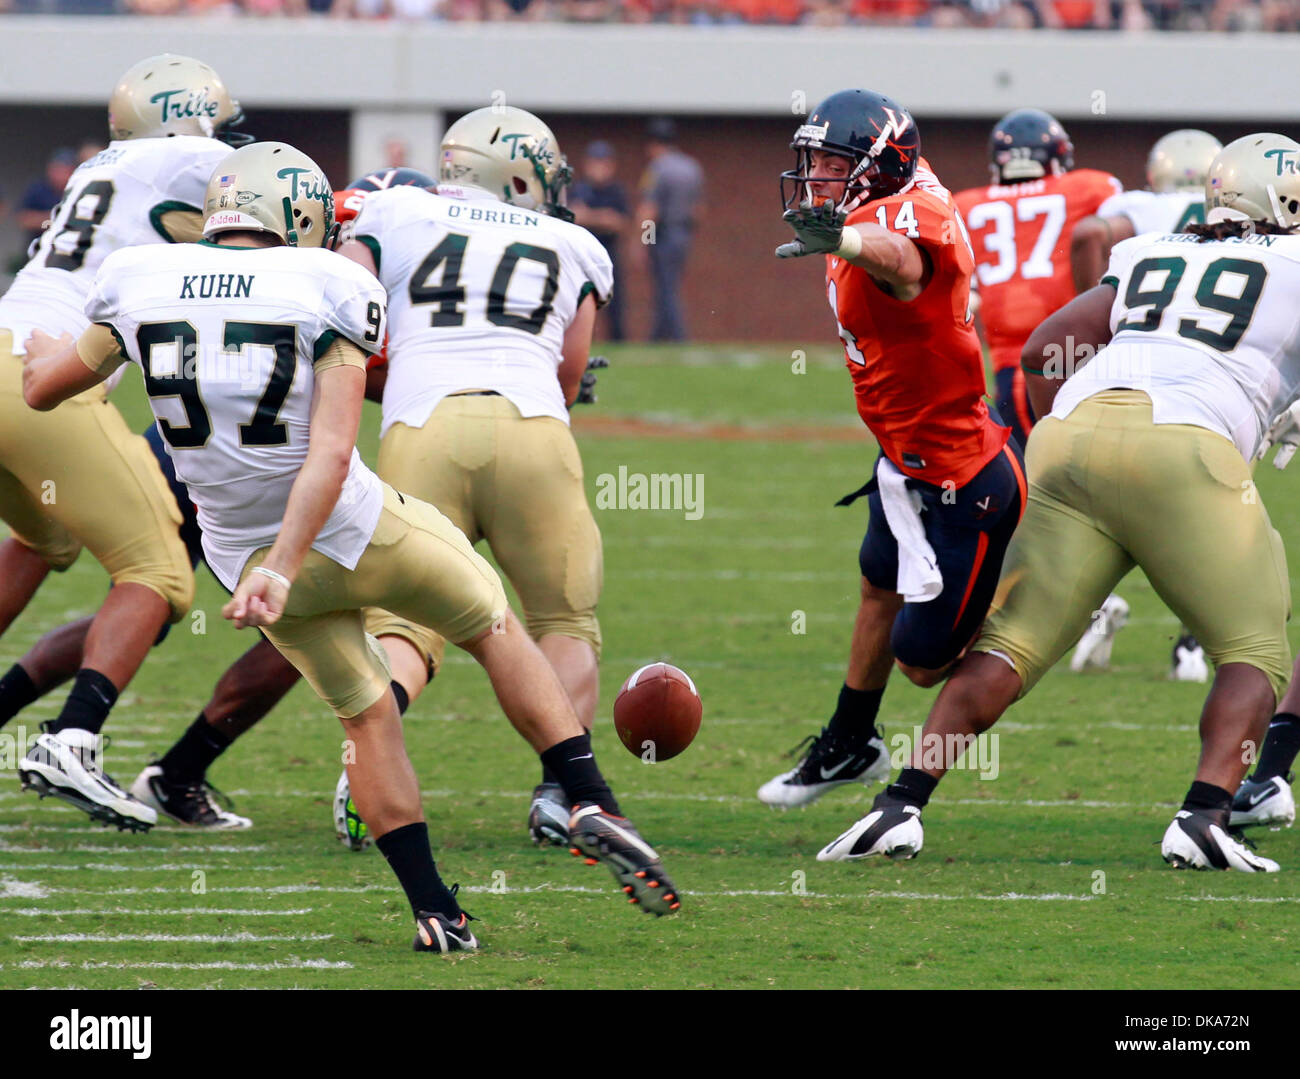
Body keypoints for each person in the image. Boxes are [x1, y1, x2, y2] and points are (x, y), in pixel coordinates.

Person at [23, 141, 681, 951]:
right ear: (298, 215)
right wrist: (289, 561)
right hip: (345, 531)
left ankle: (437, 912)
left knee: (367, 714)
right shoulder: (329, 283)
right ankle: (586, 794)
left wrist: (54, 354)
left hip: (242, 557)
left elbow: (45, 388)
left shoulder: (140, 276)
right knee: (490, 622)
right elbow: (332, 454)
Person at [817, 133, 1298, 873]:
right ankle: (1204, 815)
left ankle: (900, 804)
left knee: (1010, 643)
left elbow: (1046, 347)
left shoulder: (1153, 251)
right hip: (1187, 451)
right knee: (1255, 650)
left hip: (1071, 432)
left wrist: (1069, 441)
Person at [339, 106, 613, 847]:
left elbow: (353, 316)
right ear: (520, 176)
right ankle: (564, 793)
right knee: (562, 618)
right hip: (532, 429)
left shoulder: (393, 210)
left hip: (420, 427)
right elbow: (569, 374)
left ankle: (365, 761)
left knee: (407, 622)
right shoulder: (573, 242)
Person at [757, 89, 1025, 833]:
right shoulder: (888, 190)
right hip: (900, 457)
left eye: (835, 163)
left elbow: (904, 265)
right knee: (877, 589)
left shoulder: (910, 220)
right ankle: (849, 743)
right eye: (813, 161)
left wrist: (844, 239)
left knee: (922, 660)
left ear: (882, 168)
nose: (816, 178)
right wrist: (844, 228)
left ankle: (1048, 598)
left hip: (964, 476)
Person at [0, 53, 250, 831]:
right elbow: (273, 214)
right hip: (39, 375)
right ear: (188, 117)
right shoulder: (196, 158)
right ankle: (72, 741)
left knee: (46, 541)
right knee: (159, 571)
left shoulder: (99, 169)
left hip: (5, 346)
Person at [1067, 128, 1224, 681]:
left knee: (1103, 501)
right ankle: (1193, 642)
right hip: (1214, 377)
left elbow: (1089, 234)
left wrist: (1094, 318)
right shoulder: (1244, 221)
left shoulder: (1133, 209)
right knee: (1212, 512)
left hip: (1135, 369)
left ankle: (1096, 608)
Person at [955, 109, 1121, 454]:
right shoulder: (1088, 186)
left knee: (1030, 474)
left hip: (1010, 362)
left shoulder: (966, 205)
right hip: (1074, 353)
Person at [637, 117, 702, 341]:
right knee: (669, 285)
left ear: (654, 144)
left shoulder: (657, 169)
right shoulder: (692, 167)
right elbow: (697, 210)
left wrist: (644, 241)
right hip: (683, 233)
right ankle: (657, 337)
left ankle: (677, 337)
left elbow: (649, 210)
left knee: (665, 289)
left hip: (663, 235)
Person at [570, 140, 630, 341]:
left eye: (603, 162)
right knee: (579, 300)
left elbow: (619, 222)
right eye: (594, 162)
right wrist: (601, 217)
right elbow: (572, 217)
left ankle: (618, 341)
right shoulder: (578, 188)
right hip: (581, 254)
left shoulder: (616, 191)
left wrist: (591, 216)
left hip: (608, 251)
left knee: (615, 302)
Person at [16, 149, 78, 254]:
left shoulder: (78, 190)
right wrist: (55, 219)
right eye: (56, 170)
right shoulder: (39, 189)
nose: (60, 175)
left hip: (70, 251)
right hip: (39, 248)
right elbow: (23, 219)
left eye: (65, 171)